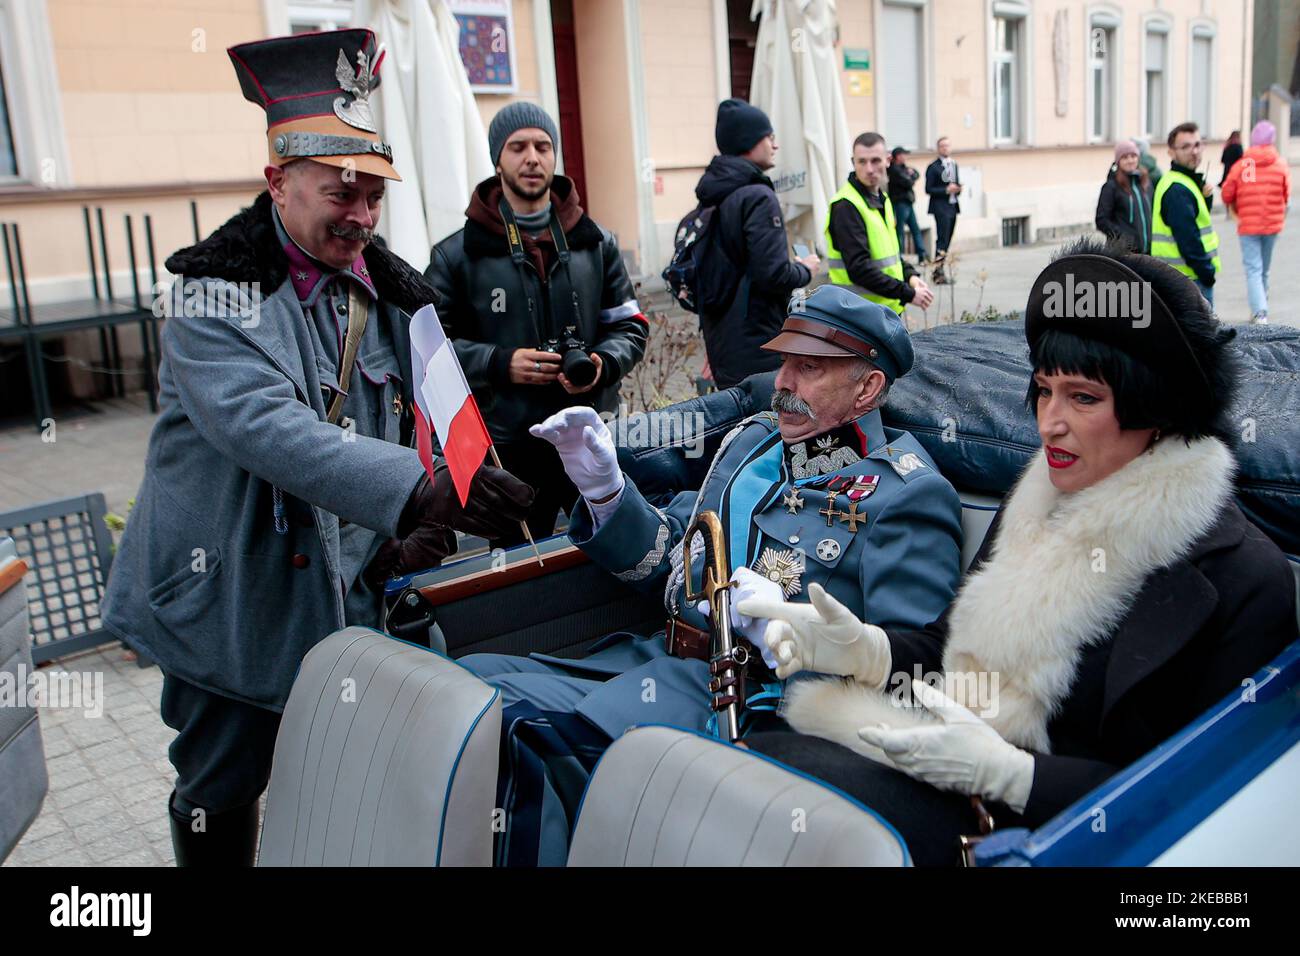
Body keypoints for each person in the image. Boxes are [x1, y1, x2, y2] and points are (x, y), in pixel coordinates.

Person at [100, 30, 534, 866]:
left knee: (343, 773)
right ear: (277, 182)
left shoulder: (385, 288)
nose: (364, 217)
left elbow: (426, 412)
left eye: (374, 195)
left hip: (347, 594)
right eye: (343, 194)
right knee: (222, 785)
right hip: (230, 604)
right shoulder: (212, 294)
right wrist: (417, 489)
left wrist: (454, 495)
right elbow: (269, 429)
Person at [739, 238, 1297, 866]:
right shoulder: (1039, 502)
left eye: (1083, 398)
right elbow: (953, 658)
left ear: (1160, 413)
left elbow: (1205, 802)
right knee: (753, 778)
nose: (1049, 422)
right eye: (1043, 390)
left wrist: (1014, 776)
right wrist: (867, 652)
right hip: (945, 774)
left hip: (1063, 843)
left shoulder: (1242, 578)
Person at [458, 286, 964, 865]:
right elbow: (671, 562)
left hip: (746, 710)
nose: (783, 383)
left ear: (867, 388)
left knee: (518, 731)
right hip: (657, 662)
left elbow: (914, 678)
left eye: (810, 369)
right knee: (468, 688)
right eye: (784, 363)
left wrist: (788, 639)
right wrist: (607, 493)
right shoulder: (752, 446)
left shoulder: (905, 495)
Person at [425, 103, 648, 547]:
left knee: (614, 548)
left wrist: (603, 363)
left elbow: (631, 327)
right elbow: (430, 350)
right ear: (498, 159)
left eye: (543, 146)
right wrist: (499, 362)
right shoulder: (456, 255)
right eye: (518, 147)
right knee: (520, 571)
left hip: (591, 434)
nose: (532, 157)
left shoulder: (595, 242)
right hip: (508, 447)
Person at [693, 99, 820, 389]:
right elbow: (774, 275)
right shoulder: (757, 197)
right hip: (759, 343)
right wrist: (805, 269)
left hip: (722, 341)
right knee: (769, 427)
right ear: (749, 141)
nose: (775, 145)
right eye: (770, 137)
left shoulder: (714, 195)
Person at [826, 133, 934, 314]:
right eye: (862, 162)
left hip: (883, 311)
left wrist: (910, 275)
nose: (869, 169)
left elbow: (890, 254)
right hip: (860, 315)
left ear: (887, 161)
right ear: (854, 163)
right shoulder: (846, 205)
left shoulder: (882, 199)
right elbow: (859, 269)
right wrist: (908, 293)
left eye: (875, 160)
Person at [1221, 120, 1291, 324]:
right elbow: (1286, 193)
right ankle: (1261, 303)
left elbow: (1226, 193)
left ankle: (1260, 311)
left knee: (1253, 268)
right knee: (1264, 268)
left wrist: (1235, 203)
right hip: (1272, 224)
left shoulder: (1242, 165)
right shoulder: (1280, 164)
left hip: (1248, 225)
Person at [1152, 122, 1220, 306]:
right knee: (1200, 334)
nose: (1194, 151)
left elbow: (1197, 219)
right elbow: (1188, 239)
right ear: (1171, 152)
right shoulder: (1177, 189)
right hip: (1189, 280)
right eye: (1186, 147)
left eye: (1197, 144)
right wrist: (1207, 273)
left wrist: (1205, 198)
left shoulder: (1184, 180)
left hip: (1181, 278)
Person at [1094, 140, 1153, 253]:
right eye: (1125, 157)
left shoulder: (1146, 184)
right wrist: (1124, 238)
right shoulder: (1111, 187)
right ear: (1118, 161)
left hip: (1147, 253)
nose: (1130, 160)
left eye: (1133, 156)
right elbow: (1101, 220)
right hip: (1123, 253)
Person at [924, 136, 961, 284]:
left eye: (947, 146)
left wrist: (957, 189)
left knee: (947, 240)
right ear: (938, 149)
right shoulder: (933, 167)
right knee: (942, 240)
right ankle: (938, 273)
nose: (945, 148)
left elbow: (956, 184)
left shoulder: (954, 164)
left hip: (953, 206)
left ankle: (940, 270)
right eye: (942, 146)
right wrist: (946, 190)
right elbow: (928, 189)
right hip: (940, 207)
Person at [887, 145, 927, 265]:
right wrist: (911, 177)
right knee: (899, 231)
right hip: (899, 203)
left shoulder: (903, 168)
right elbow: (908, 182)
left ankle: (922, 256)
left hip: (908, 203)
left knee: (915, 229)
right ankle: (900, 257)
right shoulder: (894, 169)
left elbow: (916, 174)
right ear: (898, 156)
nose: (905, 157)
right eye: (903, 154)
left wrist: (911, 175)